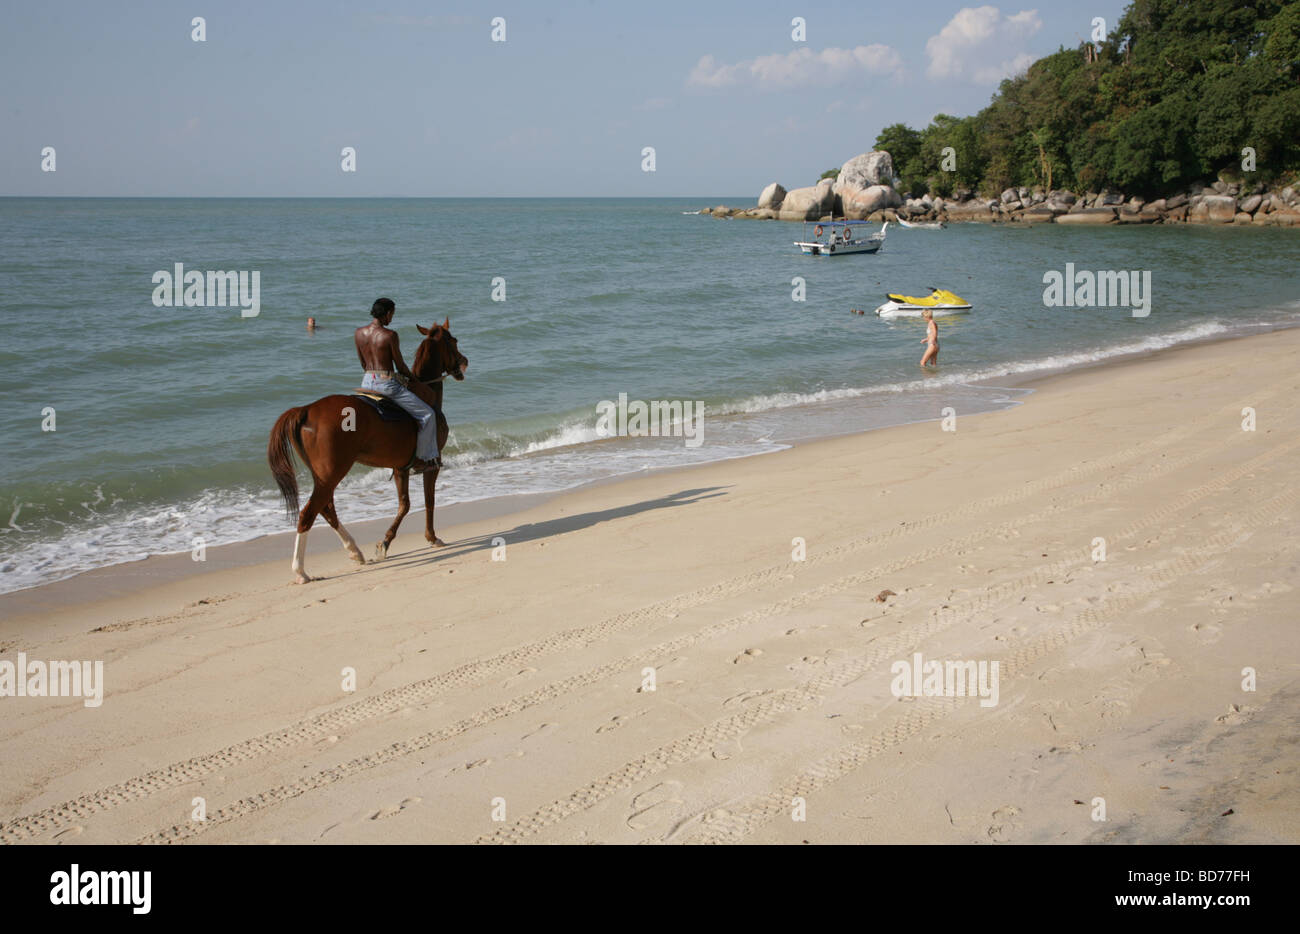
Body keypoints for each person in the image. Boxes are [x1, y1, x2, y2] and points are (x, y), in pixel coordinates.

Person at [354, 297, 440, 470]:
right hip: (385, 386)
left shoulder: (358, 333)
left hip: (365, 382)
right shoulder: (390, 335)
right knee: (428, 415)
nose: (391, 319)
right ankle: (422, 459)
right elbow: (400, 366)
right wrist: (416, 381)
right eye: (392, 314)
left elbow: (363, 364)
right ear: (387, 313)